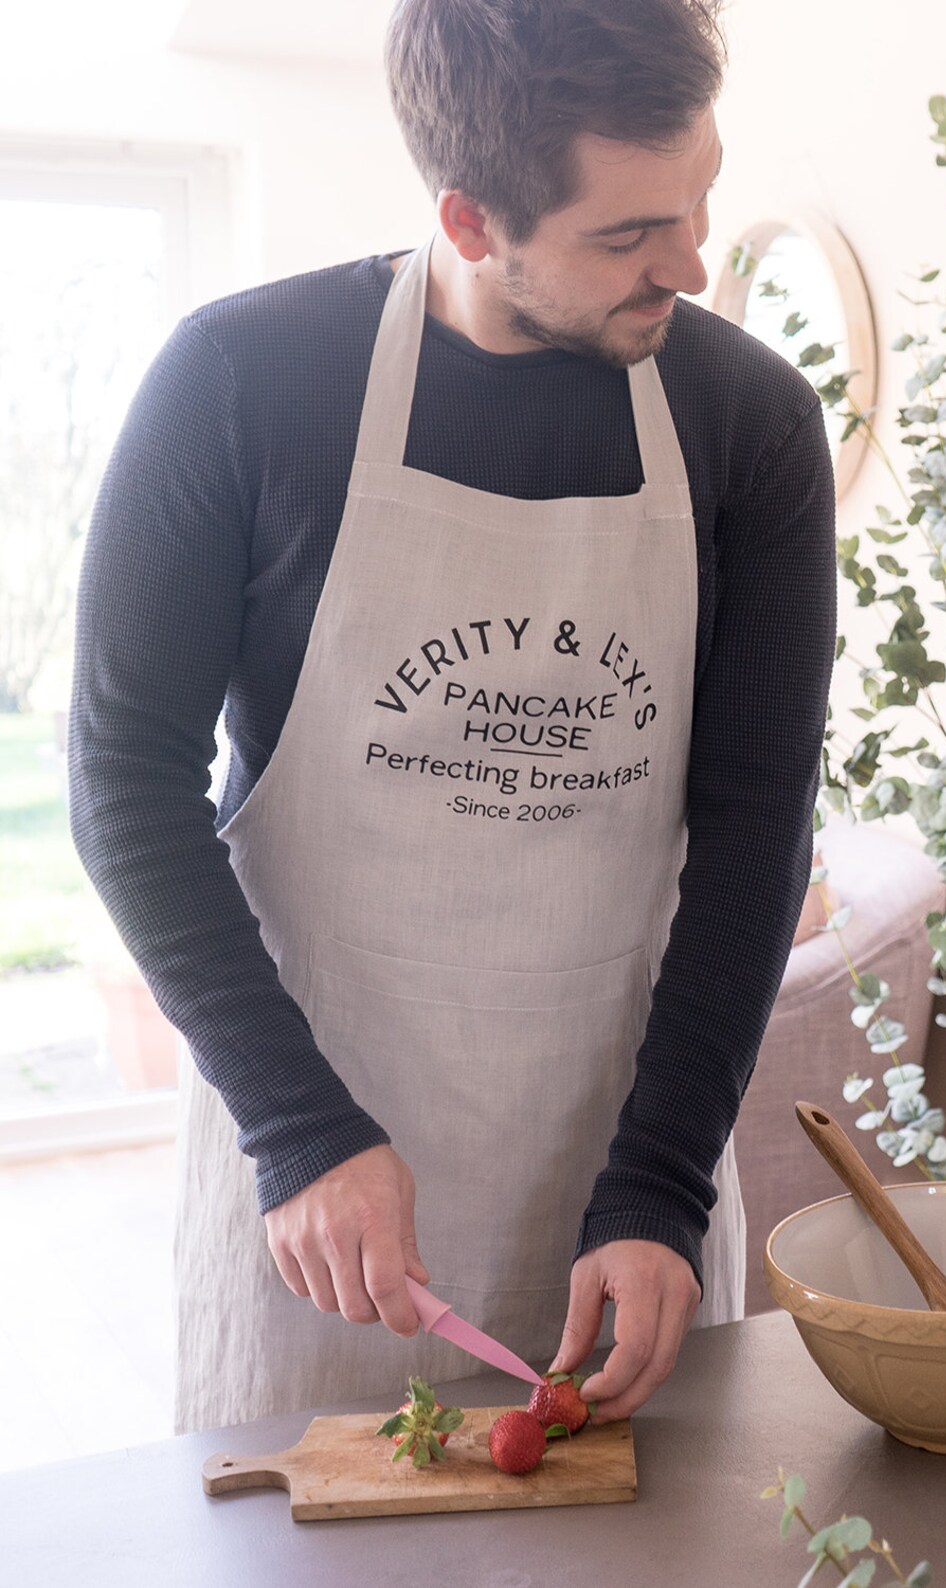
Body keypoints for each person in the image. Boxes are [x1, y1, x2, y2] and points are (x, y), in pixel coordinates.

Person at [68, 0, 835, 1433]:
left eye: (700, 201)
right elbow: (121, 778)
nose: (692, 261)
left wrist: (661, 1182)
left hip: (626, 1156)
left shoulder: (753, 429)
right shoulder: (239, 386)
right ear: (471, 221)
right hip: (311, 1184)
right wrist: (295, 1127)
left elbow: (752, 835)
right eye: (628, 236)